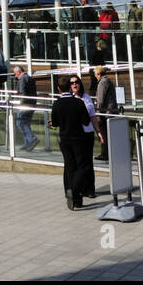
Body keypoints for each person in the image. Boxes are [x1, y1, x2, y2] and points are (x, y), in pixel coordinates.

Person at [50, 75, 96, 210]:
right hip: (78, 139)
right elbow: (86, 121)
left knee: (70, 167)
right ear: (70, 88)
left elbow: (55, 123)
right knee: (83, 166)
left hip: (65, 139)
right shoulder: (79, 102)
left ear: (58, 89)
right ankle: (75, 191)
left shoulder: (57, 103)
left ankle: (75, 197)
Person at [93, 66, 119, 160]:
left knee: (103, 133)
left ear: (99, 74)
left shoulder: (102, 83)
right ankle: (108, 153)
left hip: (105, 113)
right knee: (108, 134)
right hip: (111, 111)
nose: (95, 76)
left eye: (95, 74)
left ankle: (105, 153)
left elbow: (100, 100)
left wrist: (98, 114)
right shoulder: (108, 81)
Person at [12, 64, 39, 151]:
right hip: (32, 103)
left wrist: (22, 105)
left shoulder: (22, 79)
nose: (15, 75)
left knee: (20, 122)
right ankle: (27, 143)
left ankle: (32, 139)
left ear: (18, 72)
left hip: (26, 104)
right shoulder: (30, 78)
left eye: (15, 73)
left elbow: (23, 93)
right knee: (26, 123)